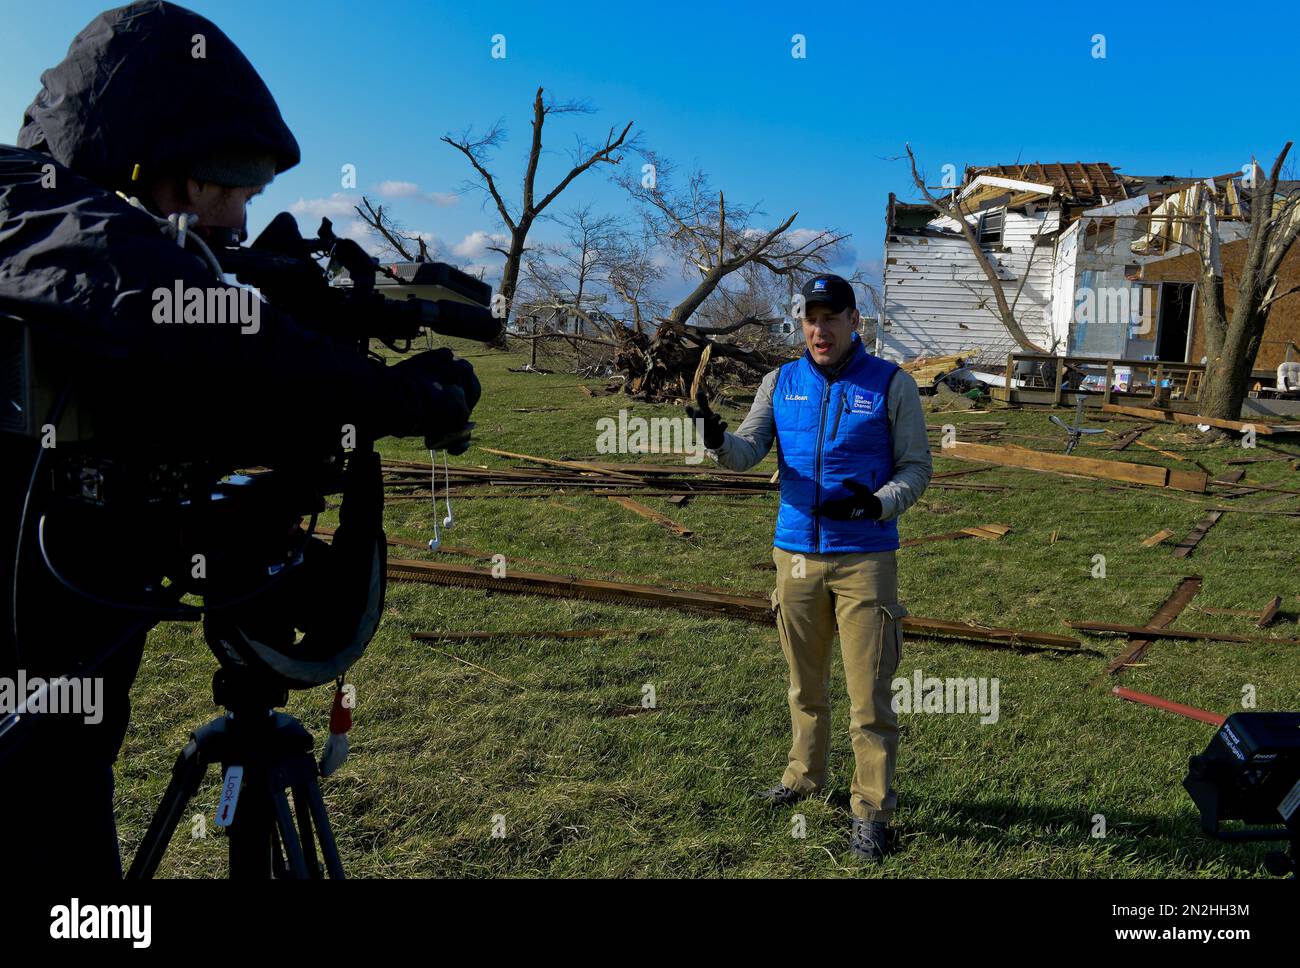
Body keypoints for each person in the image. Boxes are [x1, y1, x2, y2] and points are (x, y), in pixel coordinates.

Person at [0, 1, 478, 876]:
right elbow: (169, 301)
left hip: (73, 642)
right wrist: (387, 397)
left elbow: (190, 350)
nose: (246, 220)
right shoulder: (25, 207)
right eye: (244, 192)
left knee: (68, 792)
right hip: (23, 691)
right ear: (186, 177)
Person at [689, 274, 931, 861]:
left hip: (864, 559)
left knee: (869, 695)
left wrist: (876, 504)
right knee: (804, 683)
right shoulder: (780, 382)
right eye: (809, 318)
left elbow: (916, 468)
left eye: (831, 317)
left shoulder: (891, 384)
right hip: (794, 555)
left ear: (854, 321)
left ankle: (872, 811)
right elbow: (747, 453)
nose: (819, 329)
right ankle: (803, 776)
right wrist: (715, 437)